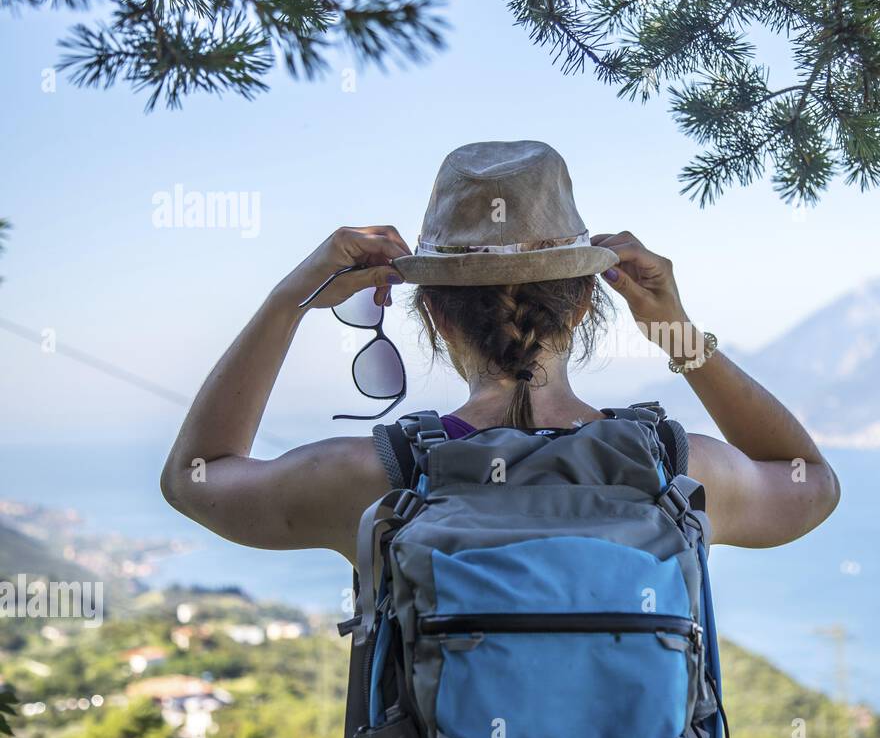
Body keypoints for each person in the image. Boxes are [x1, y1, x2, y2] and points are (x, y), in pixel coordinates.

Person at [160, 140, 840, 568]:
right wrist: (676, 332)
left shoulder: (377, 480)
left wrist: (289, 301)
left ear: (433, 314)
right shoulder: (677, 472)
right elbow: (810, 480)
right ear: (582, 305)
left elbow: (195, 479)